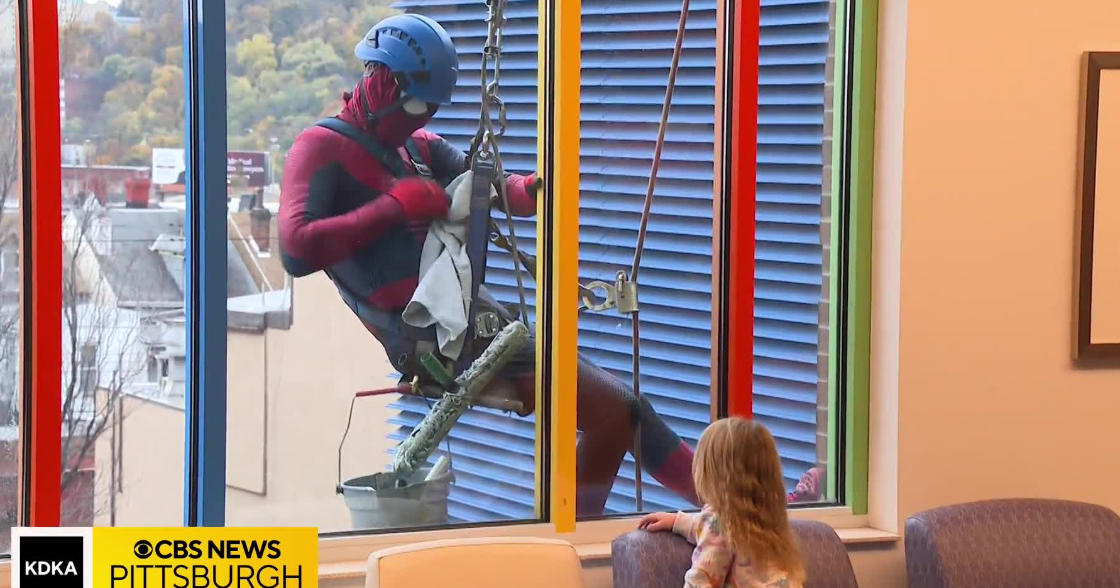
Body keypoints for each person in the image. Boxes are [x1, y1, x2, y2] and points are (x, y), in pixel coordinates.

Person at [278, 13, 699, 515]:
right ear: (381, 80)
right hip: (430, 338)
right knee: (618, 410)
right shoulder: (320, 148)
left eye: (430, 111)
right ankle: (727, 506)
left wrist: (534, 188)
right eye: (414, 105)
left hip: (469, 319)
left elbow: (491, 184)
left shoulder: (416, 147)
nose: (420, 119)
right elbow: (294, 248)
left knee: (621, 410)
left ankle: (714, 505)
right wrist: (394, 207)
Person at [638, 418, 805, 588]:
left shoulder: (720, 518)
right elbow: (714, 528)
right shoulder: (769, 517)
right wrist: (678, 522)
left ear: (711, 474)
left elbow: (701, 579)